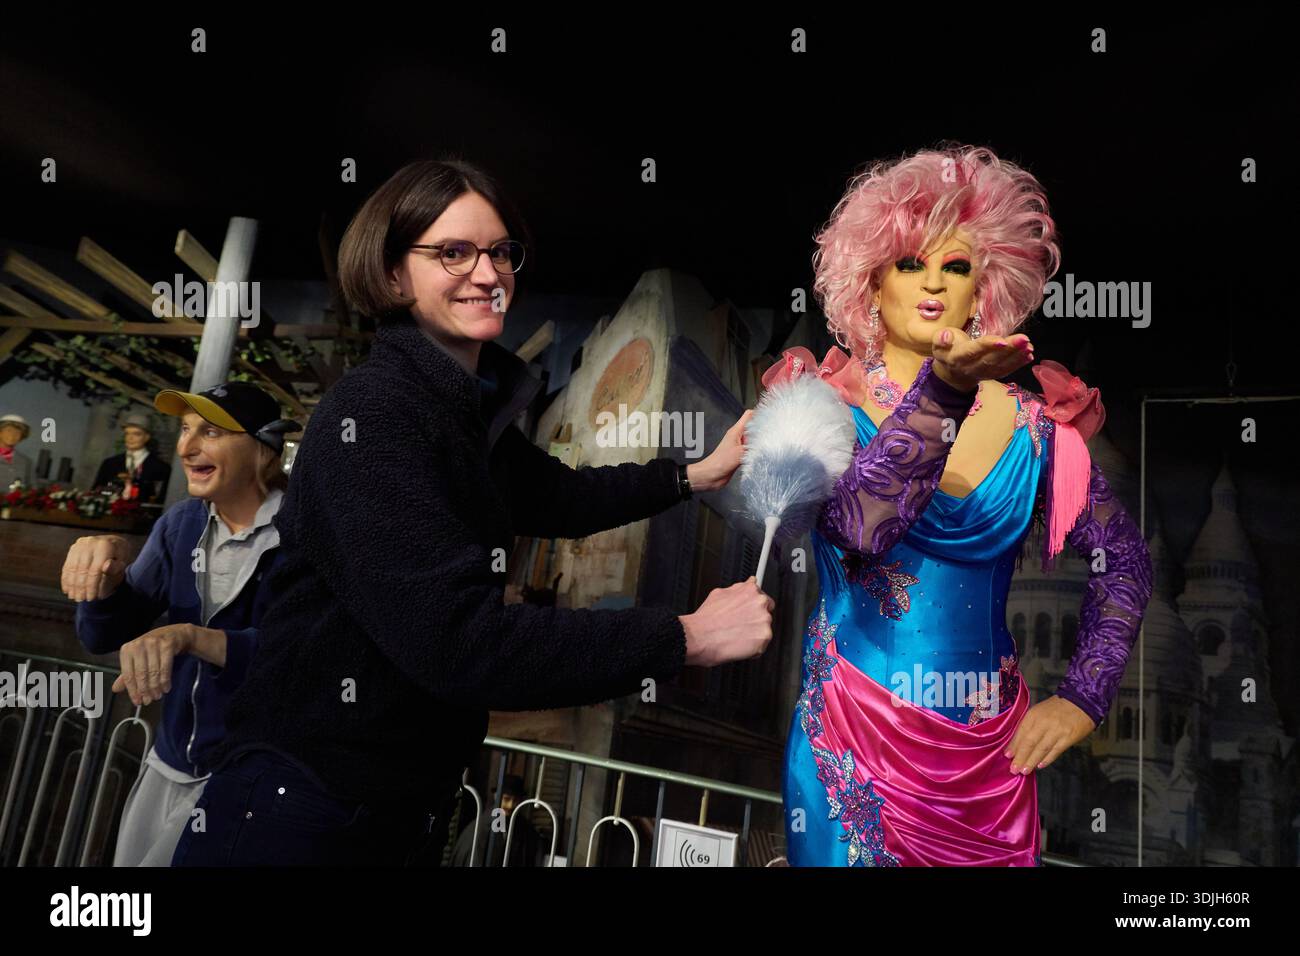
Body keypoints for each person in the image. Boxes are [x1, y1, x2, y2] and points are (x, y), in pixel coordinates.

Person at [172, 158, 773, 867]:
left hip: (393, 805)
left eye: (500, 252)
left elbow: (559, 495)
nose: (489, 274)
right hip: (304, 810)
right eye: (453, 252)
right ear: (393, 275)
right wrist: (686, 637)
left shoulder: (463, 412)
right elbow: (461, 644)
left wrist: (692, 475)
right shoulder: (378, 415)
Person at [778, 145, 1153, 866]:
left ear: (984, 287)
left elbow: (1126, 564)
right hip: (852, 744)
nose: (932, 283)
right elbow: (862, 527)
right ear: (871, 281)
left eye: (955, 267)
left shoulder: (1038, 431)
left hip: (989, 770)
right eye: (908, 263)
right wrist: (945, 391)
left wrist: (1083, 696)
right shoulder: (821, 407)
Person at [62, 382, 299, 865]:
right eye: (185, 430)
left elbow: (302, 658)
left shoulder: (304, 533)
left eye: (210, 432)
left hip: (252, 775)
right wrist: (105, 579)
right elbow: (100, 635)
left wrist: (193, 638)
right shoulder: (180, 524)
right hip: (167, 762)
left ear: (265, 446)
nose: (186, 448)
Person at [93, 411, 172, 503]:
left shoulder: (161, 468)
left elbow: (161, 500)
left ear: (147, 437)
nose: (130, 438)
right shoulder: (109, 464)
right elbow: (95, 493)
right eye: (127, 433)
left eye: (136, 434)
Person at [0, 413, 33, 489]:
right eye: (9, 430)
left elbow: (32, 489)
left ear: (22, 436)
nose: (13, 435)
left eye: (18, 432)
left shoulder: (26, 462)